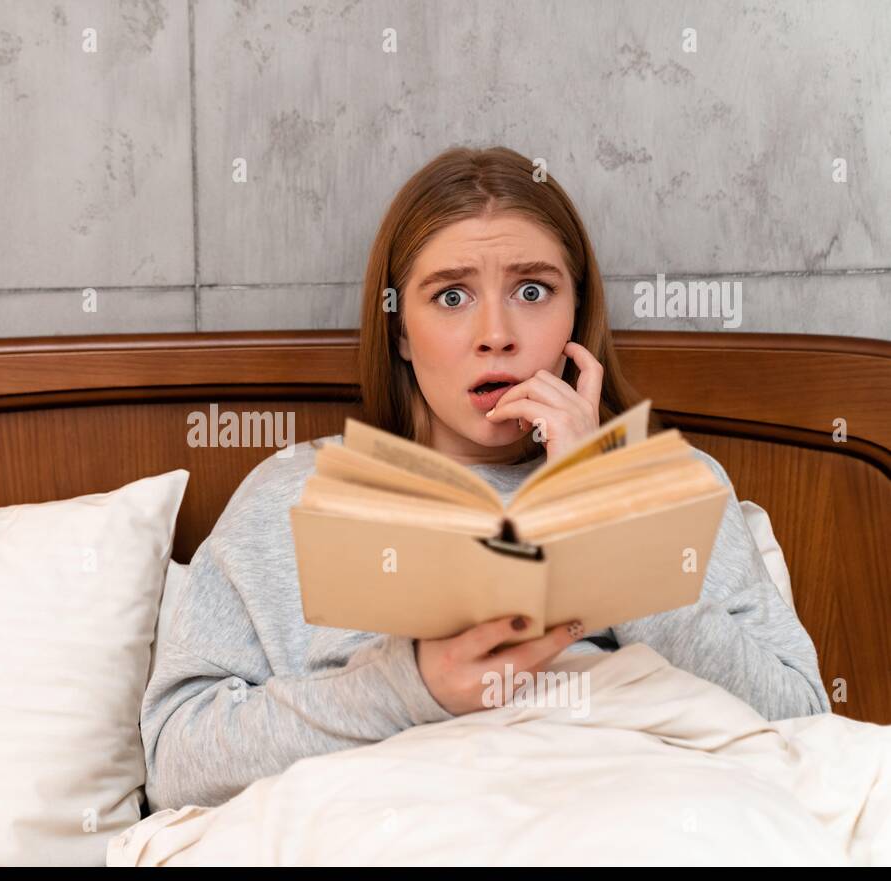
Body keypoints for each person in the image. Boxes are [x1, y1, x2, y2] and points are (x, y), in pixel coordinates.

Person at [141, 145, 830, 813]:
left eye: (533, 290)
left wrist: (608, 509)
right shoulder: (293, 493)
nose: (495, 332)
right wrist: (407, 687)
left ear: (576, 317)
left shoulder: (675, 482)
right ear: (400, 330)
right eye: (450, 297)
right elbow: (176, 761)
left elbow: (801, 721)